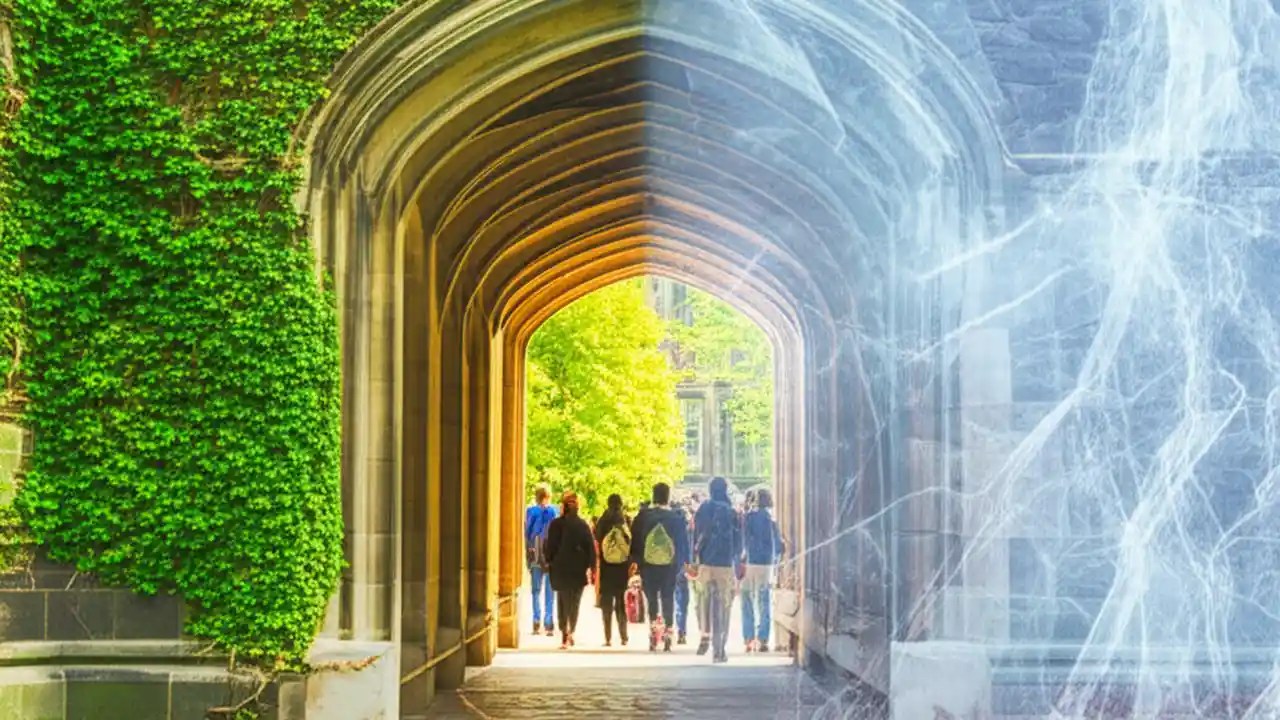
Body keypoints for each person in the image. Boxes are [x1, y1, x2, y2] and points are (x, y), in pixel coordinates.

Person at [630, 482, 690, 653]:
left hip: (648, 564)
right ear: (668, 497)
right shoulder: (676, 518)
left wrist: (636, 562)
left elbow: (635, 542)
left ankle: (653, 630)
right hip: (670, 565)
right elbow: (682, 544)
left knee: (651, 597)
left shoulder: (642, 517)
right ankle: (669, 632)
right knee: (668, 596)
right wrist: (684, 563)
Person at [693, 475, 742, 663]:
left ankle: (705, 632)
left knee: (702, 602)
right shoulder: (731, 511)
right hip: (725, 564)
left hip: (705, 563)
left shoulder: (703, 509)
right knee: (725, 606)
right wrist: (737, 561)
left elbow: (696, 535)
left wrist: (694, 560)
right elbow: (739, 542)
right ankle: (720, 647)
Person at [544, 491, 596, 649]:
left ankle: (564, 631)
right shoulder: (582, 525)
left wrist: (550, 561)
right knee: (574, 602)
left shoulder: (556, 524)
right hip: (577, 569)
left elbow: (550, 546)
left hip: (560, 568)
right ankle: (571, 630)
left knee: (562, 600)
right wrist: (591, 566)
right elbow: (590, 548)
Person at [741, 487, 784, 652]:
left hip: (749, 563)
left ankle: (749, 638)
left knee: (746, 599)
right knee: (764, 600)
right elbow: (779, 547)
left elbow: (742, 541)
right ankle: (763, 639)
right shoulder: (772, 521)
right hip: (766, 564)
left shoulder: (748, 518)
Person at [593, 493, 632, 647]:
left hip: (606, 566)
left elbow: (597, 537)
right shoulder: (625, 520)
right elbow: (630, 542)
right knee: (621, 602)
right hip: (621, 567)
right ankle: (624, 636)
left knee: (607, 603)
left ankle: (608, 637)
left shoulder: (604, 519)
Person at [524, 484, 559, 636]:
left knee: (536, 590)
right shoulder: (554, 511)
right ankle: (549, 622)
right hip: (551, 556)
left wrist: (528, 552)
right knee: (550, 591)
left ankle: (536, 620)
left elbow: (527, 533)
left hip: (535, 554)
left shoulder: (531, 511)